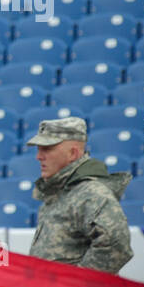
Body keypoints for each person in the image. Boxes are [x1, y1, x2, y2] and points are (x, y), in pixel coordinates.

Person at [26, 117, 133, 274]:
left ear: (73, 153)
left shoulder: (90, 193)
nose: (39, 156)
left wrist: (78, 283)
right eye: (38, 149)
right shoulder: (59, 191)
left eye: (47, 149)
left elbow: (117, 244)